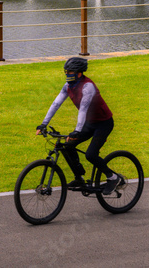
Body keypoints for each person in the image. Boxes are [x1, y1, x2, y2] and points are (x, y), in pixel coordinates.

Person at [36, 57, 121, 195]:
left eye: (70, 72)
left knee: (91, 155)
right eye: (66, 71)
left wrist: (77, 131)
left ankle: (113, 177)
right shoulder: (68, 86)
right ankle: (79, 178)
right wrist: (44, 124)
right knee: (67, 146)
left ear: (79, 73)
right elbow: (56, 104)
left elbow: (83, 108)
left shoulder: (88, 87)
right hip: (89, 123)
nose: (67, 74)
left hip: (103, 123)